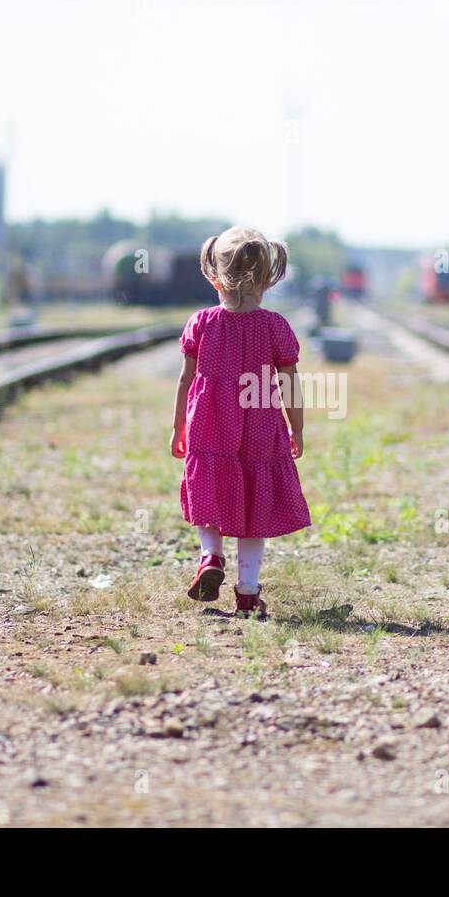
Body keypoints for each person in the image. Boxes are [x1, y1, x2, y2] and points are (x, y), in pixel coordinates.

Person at [171, 227, 311, 618]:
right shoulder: (275, 327)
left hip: (209, 424)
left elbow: (185, 379)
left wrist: (178, 425)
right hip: (261, 427)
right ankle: (247, 592)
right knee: (255, 506)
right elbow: (289, 384)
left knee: (209, 493)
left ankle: (210, 556)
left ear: (215, 278)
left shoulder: (202, 323)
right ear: (267, 279)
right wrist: (296, 428)